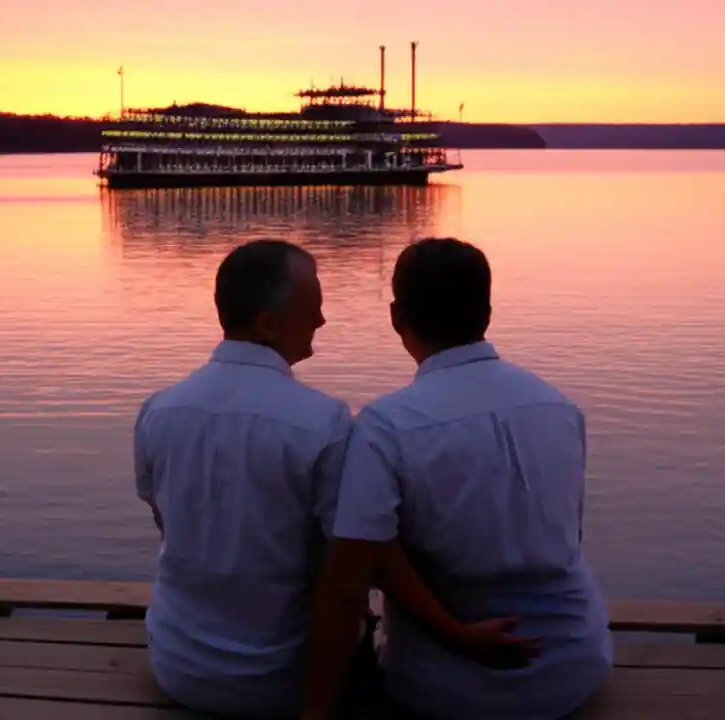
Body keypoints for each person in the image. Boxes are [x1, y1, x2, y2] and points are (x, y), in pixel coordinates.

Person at [136, 239, 533, 718]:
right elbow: (354, 571)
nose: (322, 321)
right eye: (312, 309)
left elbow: (167, 523)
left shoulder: (159, 411)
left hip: (180, 666)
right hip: (276, 681)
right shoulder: (322, 424)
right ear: (267, 323)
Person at [304, 238, 613, 719]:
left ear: (395, 317)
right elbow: (566, 536)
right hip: (574, 665)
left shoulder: (387, 425)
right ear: (487, 313)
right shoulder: (558, 407)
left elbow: (349, 580)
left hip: (449, 684)